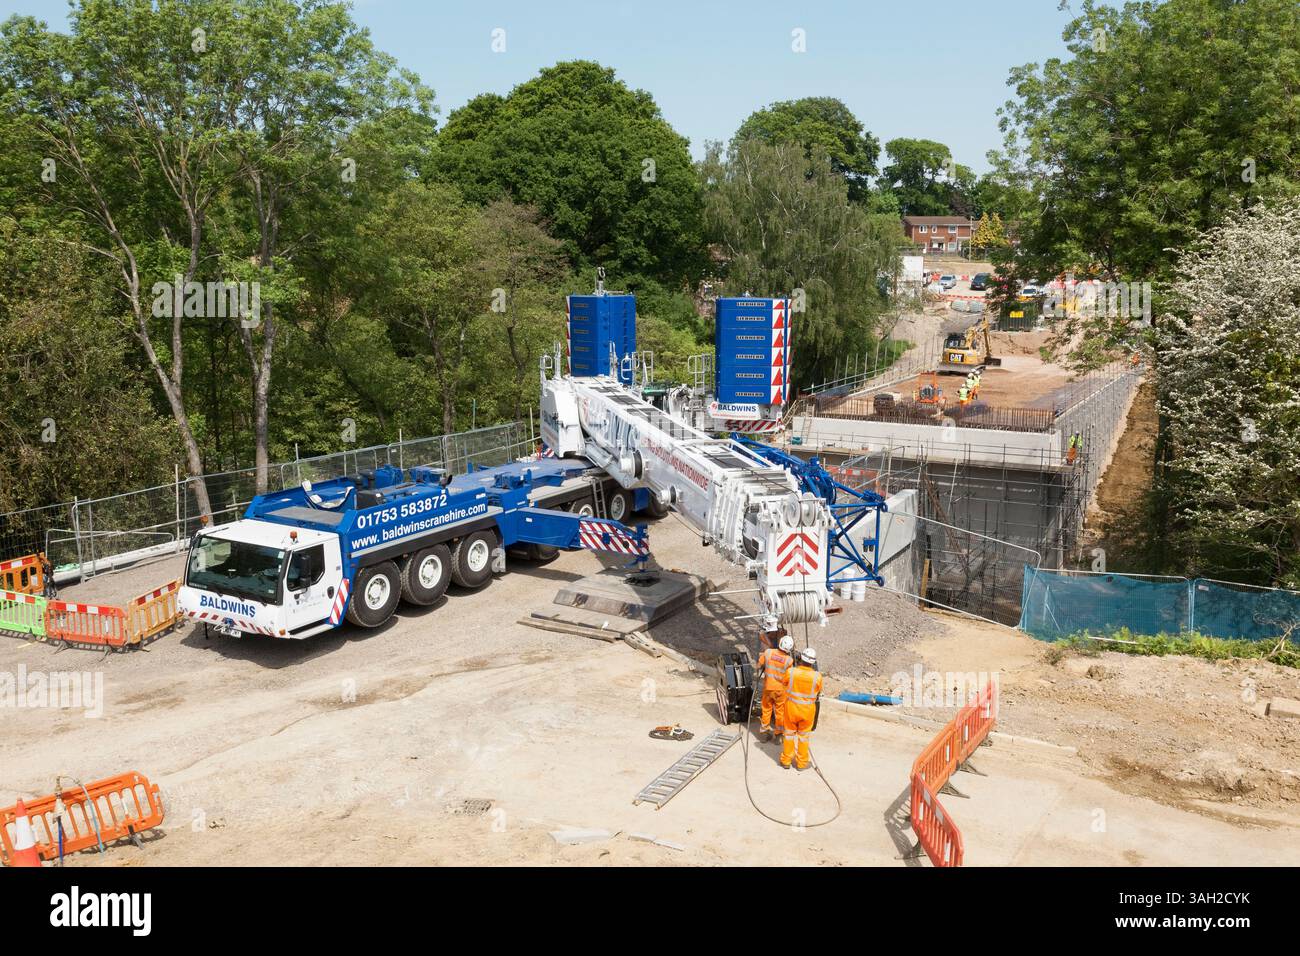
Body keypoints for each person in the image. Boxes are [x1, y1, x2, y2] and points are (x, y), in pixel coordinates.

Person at [781, 648, 825, 770]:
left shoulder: (791, 672)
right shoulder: (817, 676)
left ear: (800, 658)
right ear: (813, 662)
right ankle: (801, 764)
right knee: (804, 738)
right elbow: (818, 691)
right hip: (807, 711)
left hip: (791, 708)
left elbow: (784, 683)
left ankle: (786, 761)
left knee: (789, 735)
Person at [755, 635, 794, 741]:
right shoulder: (789, 661)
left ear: (780, 642)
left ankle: (764, 733)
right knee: (780, 712)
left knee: (766, 710)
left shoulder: (768, 652)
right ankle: (778, 735)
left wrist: (764, 665)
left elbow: (758, 666)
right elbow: (789, 677)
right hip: (781, 690)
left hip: (768, 688)